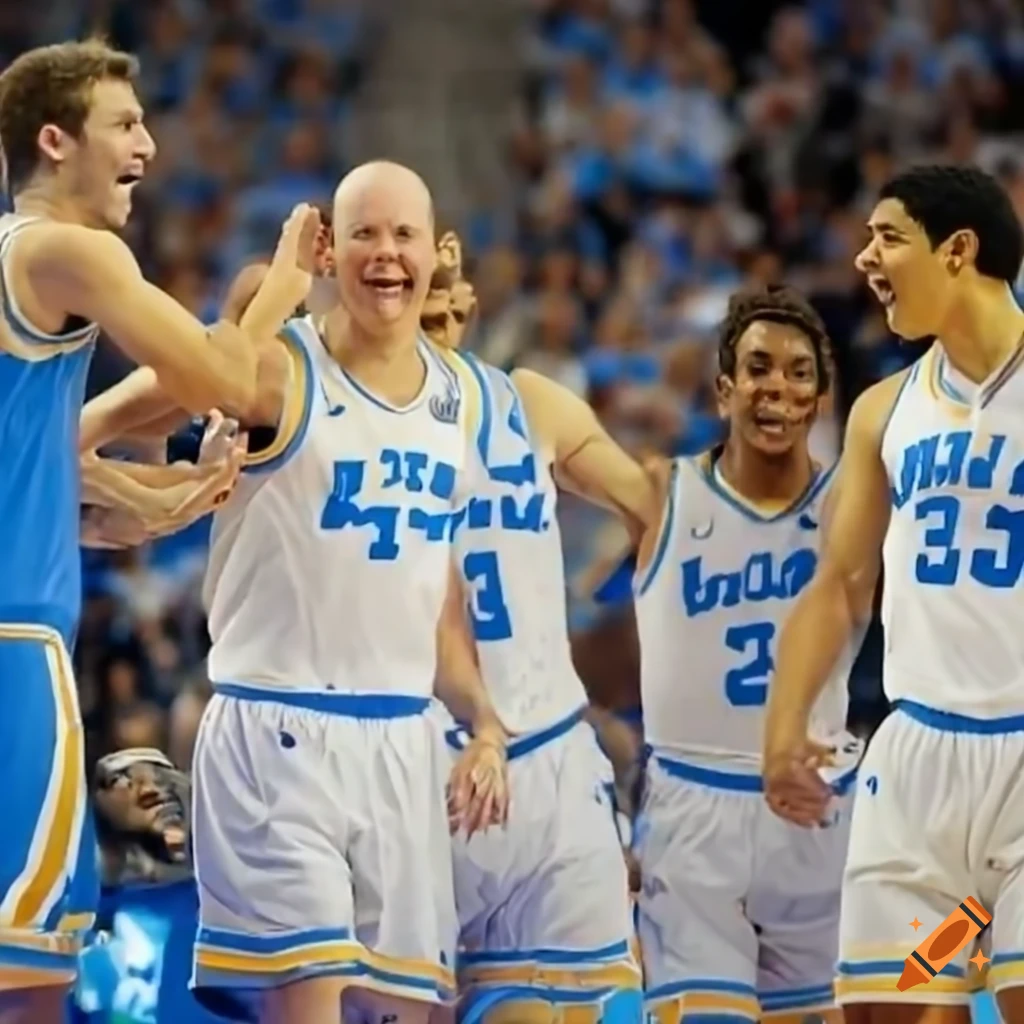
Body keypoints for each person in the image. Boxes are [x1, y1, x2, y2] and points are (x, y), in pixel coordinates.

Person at [0, 39, 307, 1017]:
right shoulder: (68, 247)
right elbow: (213, 380)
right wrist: (282, 294)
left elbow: (68, 439)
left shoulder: (21, 261)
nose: (148, 144)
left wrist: (129, 495)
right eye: (124, 125)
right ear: (56, 140)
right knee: (29, 974)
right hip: (11, 648)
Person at [189, 161, 509, 1024]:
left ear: (432, 254)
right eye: (364, 232)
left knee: (403, 1014)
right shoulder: (278, 371)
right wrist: (281, 280)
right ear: (329, 253)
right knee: (313, 1006)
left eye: (404, 234)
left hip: (401, 737)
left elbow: (428, 583)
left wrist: (480, 717)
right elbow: (198, 378)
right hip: (280, 725)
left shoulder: (458, 398)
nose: (387, 254)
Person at [762, 164, 1024, 1024]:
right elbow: (840, 585)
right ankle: (952, 945)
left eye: (888, 237)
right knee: (899, 1003)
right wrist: (784, 726)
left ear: (958, 250)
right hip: (916, 769)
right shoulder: (883, 409)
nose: (865, 257)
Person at [425, 234, 651, 1023]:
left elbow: (654, 511)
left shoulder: (529, 402)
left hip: (550, 754)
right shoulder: (346, 417)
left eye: (446, 297)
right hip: (426, 760)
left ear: (465, 305)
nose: (433, 314)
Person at [631, 285, 861, 1024]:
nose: (779, 388)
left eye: (800, 373)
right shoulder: (661, 492)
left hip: (814, 806)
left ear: (822, 400)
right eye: (759, 368)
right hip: (692, 810)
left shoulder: (853, 513)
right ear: (725, 388)